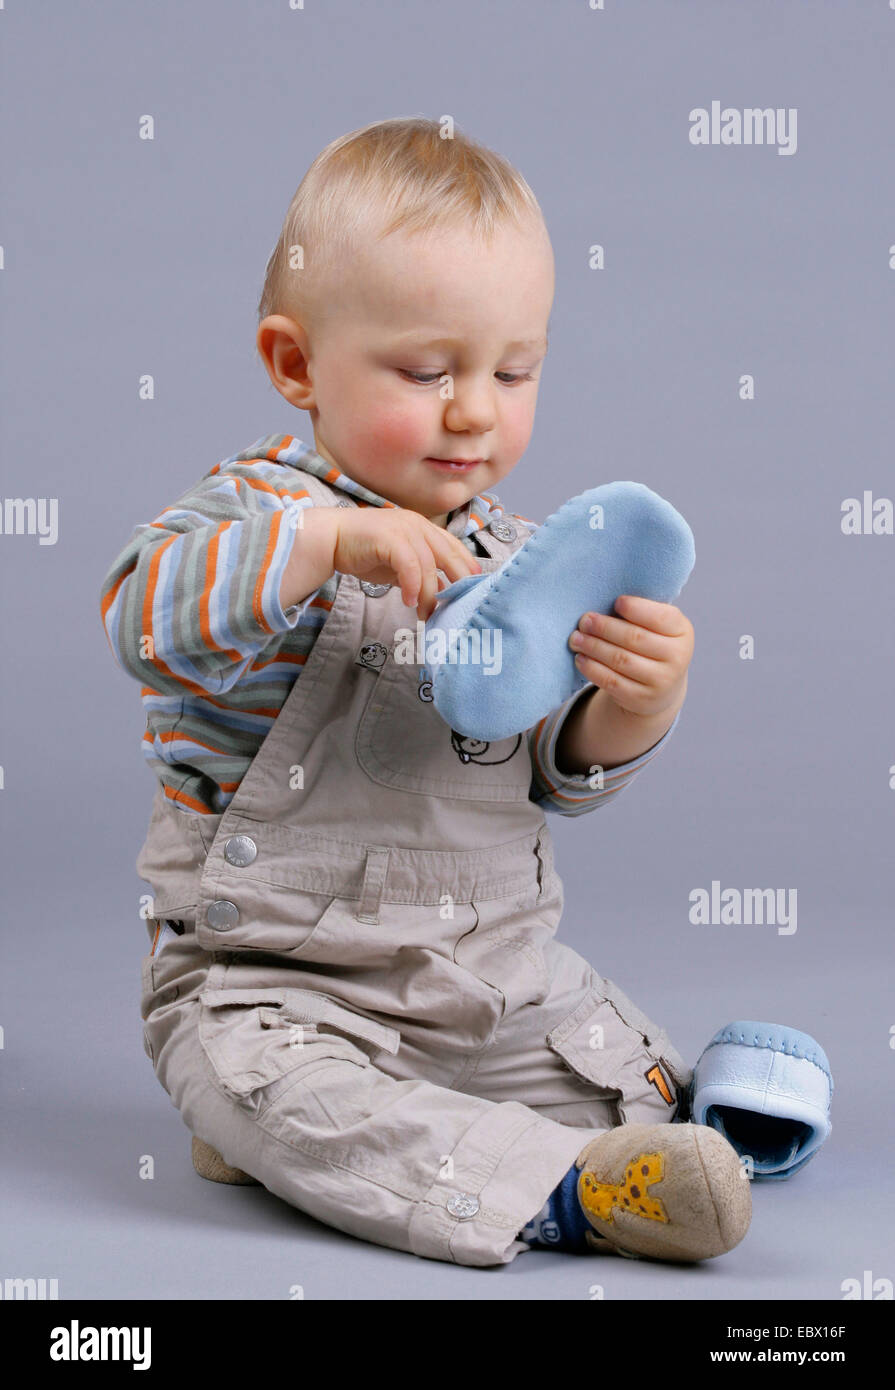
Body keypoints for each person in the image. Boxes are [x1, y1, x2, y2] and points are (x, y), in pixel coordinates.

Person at [99, 116, 750, 1267]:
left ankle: (706, 1121)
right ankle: (554, 1194)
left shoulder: (521, 562)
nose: (474, 411)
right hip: (276, 984)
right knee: (278, 1087)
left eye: (514, 370)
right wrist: (324, 546)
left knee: (623, 1063)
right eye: (427, 369)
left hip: (485, 972)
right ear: (298, 364)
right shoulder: (257, 516)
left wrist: (631, 706)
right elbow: (143, 620)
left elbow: (552, 774)